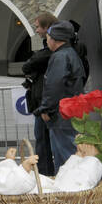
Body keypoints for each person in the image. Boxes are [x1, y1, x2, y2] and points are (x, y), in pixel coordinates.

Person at [34, 21, 87, 170]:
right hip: (71, 111)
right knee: (73, 152)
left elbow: (54, 85)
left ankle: (70, 190)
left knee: (66, 157)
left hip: (61, 114)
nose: (47, 40)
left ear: (55, 39)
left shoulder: (60, 57)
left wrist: (46, 109)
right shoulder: (70, 54)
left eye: (48, 37)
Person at [20, 11, 58, 178]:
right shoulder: (47, 51)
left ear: (47, 27)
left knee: (46, 142)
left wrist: (45, 107)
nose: (35, 30)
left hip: (46, 105)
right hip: (42, 104)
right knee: (44, 142)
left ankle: (45, 175)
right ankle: (46, 174)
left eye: (37, 26)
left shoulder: (51, 52)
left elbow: (30, 64)